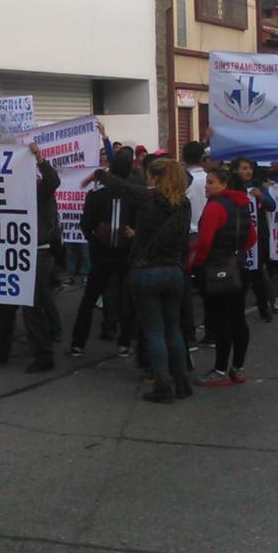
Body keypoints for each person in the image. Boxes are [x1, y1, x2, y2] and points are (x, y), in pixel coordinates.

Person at [98, 159, 193, 403]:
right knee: (173, 329)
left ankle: (162, 384)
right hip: (173, 271)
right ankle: (182, 381)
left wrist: (99, 173)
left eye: (149, 175)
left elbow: (122, 186)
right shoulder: (184, 204)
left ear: (155, 178)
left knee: (154, 330)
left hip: (146, 270)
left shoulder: (147, 200)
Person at [0, 143, 61, 373]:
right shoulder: (11, 192)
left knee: (32, 305)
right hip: (13, 252)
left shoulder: (38, 189)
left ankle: (44, 355)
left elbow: (53, 181)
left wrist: (40, 158)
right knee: (6, 304)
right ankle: (1, 348)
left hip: (37, 252)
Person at [192, 169, 257, 387]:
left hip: (217, 269)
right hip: (238, 267)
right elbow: (251, 238)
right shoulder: (242, 205)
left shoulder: (215, 207)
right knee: (238, 318)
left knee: (221, 321)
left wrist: (197, 263)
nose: (206, 186)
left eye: (211, 182)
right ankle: (238, 367)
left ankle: (220, 369)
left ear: (223, 184)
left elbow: (204, 242)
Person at [69, 151, 136, 357]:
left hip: (101, 254)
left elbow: (85, 224)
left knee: (89, 299)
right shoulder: (136, 194)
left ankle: (78, 343)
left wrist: (94, 240)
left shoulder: (96, 195)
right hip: (126, 253)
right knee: (127, 299)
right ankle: (125, 343)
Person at [232, 157, 278, 321]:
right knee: (241, 276)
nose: (248, 171)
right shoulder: (233, 188)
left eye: (250, 168)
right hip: (240, 239)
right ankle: (237, 311)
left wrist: (261, 197)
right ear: (236, 171)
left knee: (258, 275)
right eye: (244, 168)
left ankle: (264, 309)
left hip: (259, 238)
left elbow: (272, 206)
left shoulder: (258, 187)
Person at [182, 141, 207, 348]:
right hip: (207, 234)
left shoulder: (184, 181)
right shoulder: (210, 179)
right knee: (208, 286)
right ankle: (212, 331)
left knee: (187, 288)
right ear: (202, 158)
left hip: (189, 236)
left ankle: (189, 335)